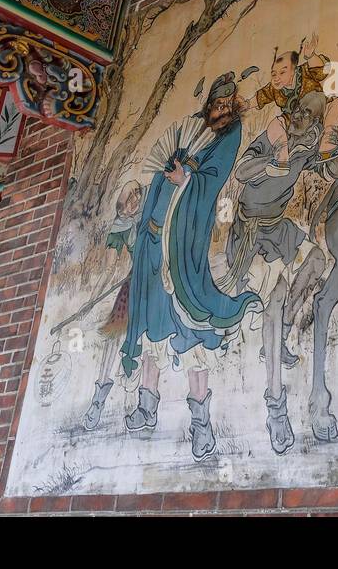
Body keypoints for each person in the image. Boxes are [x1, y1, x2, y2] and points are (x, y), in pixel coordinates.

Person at [107, 73, 263, 459]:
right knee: (152, 332)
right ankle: (147, 406)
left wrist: (186, 179)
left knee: (193, 333)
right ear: (208, 105)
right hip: (156, 245)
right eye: (217, 105)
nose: (221, 111)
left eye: (228, 106)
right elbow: (160, 181)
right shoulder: (191, 131)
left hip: (185, 250)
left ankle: (200, 423)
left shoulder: (227, 139)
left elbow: (213, 181)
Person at [253, 35, 338, 173]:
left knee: (336, 103)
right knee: (274, 125)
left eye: (282, 72)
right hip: (293, 122)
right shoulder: (273, 89)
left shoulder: (305, 72)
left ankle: (327, 142)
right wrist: (245, 103)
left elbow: (322, 70)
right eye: (273, 74)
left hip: (316, 113)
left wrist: (311, 56)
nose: (277, 78)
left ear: (293, 70)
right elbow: (259, 97)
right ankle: (282, 158)